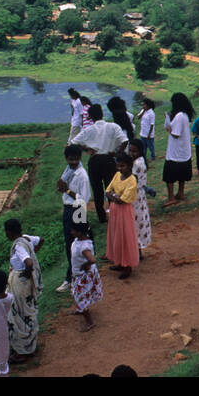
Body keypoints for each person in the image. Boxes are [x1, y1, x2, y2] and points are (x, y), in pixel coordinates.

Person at [71, 103, 128, 223]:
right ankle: (114, 213)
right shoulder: (113, 126)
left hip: (95, 161)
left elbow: (74, 142)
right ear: (102, 113)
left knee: (97, 190)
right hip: (108, 160)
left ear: (90, 117)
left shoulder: (89, 130)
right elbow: (124, 141)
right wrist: (117, 153)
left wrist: (86, 149)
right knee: (111, 188)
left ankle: (101, 216)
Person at [4, 219, 43, 363]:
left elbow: (29, 262)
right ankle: (29, 346)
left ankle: (24, 350)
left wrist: (25, 273)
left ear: (9, 232)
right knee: (28, 311)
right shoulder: (26, 238)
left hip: (20, 285)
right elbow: (41, 240)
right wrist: (34, 252)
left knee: (19, 316)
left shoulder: (19, 246)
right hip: (25, 286)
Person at [55, 144, 92, 293]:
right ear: (66, 159)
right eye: (70, 159)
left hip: (78, 209)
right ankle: (75, 275)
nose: (73, 162)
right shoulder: (69, 171)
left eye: (76, 159)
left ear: (80, 158)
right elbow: (61, 186)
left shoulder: (81, 174)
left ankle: (72, 278)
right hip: (68, 209)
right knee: (70, 244)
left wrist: (68, 191)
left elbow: (84, 198)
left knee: (76, 243)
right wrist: (62, 188)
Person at [105, 152, 140, 279]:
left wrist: (114, 196)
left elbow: (122, 200)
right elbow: (108, 191)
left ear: (130, 165)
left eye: (122, 166)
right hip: (115, 210)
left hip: (124, 211)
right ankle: (119, 261)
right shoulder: (117, 175)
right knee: (116, 235)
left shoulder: (132, 180)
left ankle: (127, 266)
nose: (120, 169)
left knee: (125, 236)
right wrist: (115, 196)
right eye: (118, 166)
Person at [69, 222, 101, 332]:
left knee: (81, 297)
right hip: (79, 274)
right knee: (78, 294)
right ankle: (80, 309)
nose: (71, 232)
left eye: (73, 230)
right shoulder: (79, 241)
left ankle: (89, 322)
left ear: (80, 232)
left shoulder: (84, 246)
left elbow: (92, 259)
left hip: (83, 276)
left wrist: (84, 265)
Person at [163, 92, 195, 203]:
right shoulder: (185, 115)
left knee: (169, 177)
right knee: (182, 175)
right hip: (184, 151)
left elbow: (175, 134)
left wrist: (169, 129)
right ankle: (180, 193)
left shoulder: (179, 116)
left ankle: (171, 197)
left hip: (175, 152)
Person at [128, 139, 152, 255]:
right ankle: (138, 251)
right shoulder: (139, 161)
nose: (131, 153)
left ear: (141, 151)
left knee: (135, 222)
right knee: (137, 221)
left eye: (134, 151)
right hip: (138, 195)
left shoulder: (137, 164)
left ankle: (137, 251)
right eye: (130, 150)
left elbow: (131, 183)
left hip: (135, 197)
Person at [136, 97, 157, 161]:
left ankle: (153, 157)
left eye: (144, 105)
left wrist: (149, 134)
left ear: (148, 105)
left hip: (148, 133)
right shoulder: (143, 111)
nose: (143, 106)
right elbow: (138, 117)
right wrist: (143, 111)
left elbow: (152, 124)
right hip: (143, 133)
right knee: (143, 147)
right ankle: (144, 157)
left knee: (151, 146)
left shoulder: (151, 113)